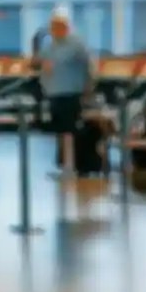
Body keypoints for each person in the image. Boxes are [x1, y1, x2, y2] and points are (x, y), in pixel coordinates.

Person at [38, 12, 93, 178]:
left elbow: (87, 69)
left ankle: (75, 166)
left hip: (71, 92)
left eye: (57, 27)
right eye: (52, 27)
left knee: (71, 130)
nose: (54, 30)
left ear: (65, 27)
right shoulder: (49, 46)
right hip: (54, 93)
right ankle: (64, 165)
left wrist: (88, 90)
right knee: (60, 130)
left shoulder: (76, 45)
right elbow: (39, 62)